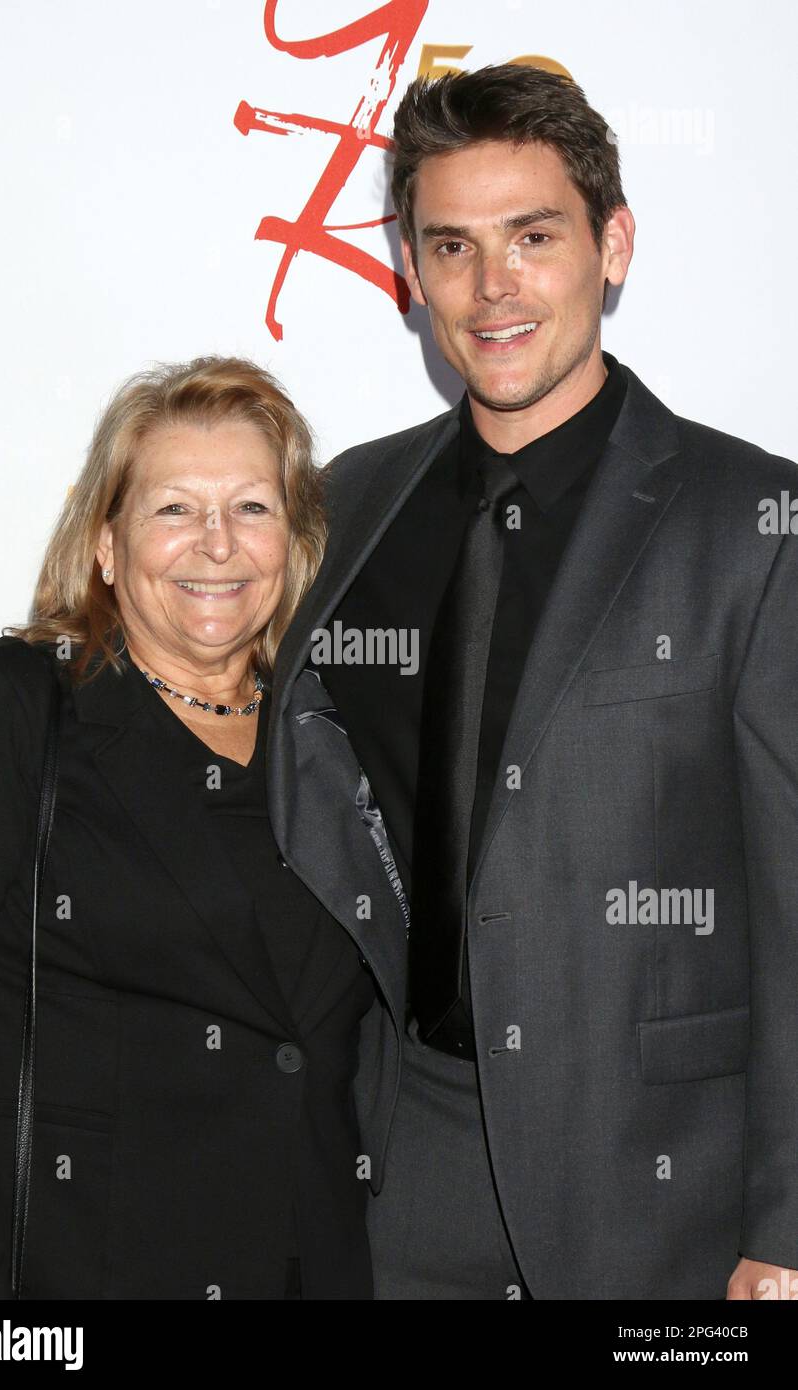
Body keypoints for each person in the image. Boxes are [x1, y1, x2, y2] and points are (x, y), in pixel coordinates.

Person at [266, 64, 798, 1300]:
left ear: (611, 246)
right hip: (402, 1168)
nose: (489, 286)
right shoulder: (349, 507)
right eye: (449, 245)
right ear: (407, 268)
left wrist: (787, 1225)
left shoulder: (754, 525)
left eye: (532, 237)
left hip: (663, 1194)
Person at [0, 355, 405, 1299]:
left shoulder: (337, 736)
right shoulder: (13, 709)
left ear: (294, 541)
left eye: (252, 508)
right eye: (175, 509)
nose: (217, 544)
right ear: (107, 545)